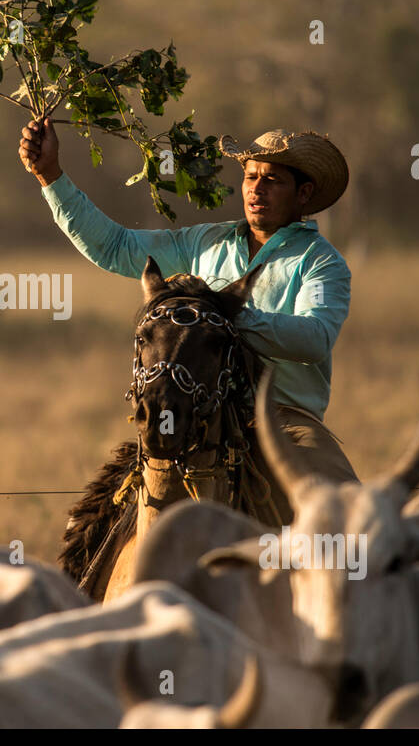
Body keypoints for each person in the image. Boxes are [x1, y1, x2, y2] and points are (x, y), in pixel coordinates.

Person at [18, 117, 358, 497]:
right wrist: (51, 176)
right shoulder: (205, 242)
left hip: (284, 421)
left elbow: (314, 340)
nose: (256, 189)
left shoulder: (321, 262)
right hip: (195, 413)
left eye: (273, 180)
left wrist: (224, 316)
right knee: (103, 515)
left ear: (304, 193)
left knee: (341, 508)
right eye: (251, 177)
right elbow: (116, 247)